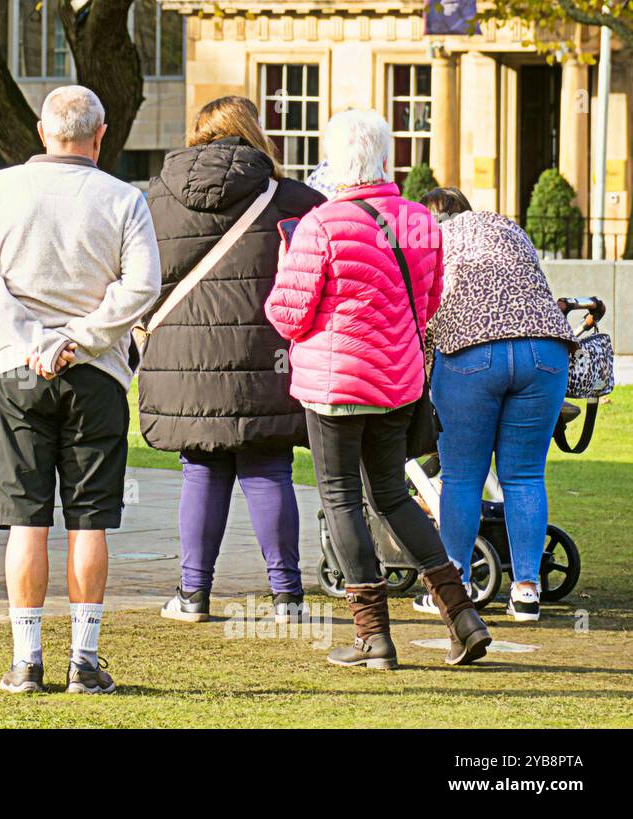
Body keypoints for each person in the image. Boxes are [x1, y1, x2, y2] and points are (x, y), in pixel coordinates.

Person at [0, 85, 161, 694]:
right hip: (95, 373)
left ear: (43, 133)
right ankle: (85, 662)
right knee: (90, 520)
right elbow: (141, 285)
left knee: (26, 520)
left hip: (17, 370)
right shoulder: (125, 198)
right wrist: (80, 338)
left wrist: (30, 335)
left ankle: (25, 661)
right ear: (99, 136)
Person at [265, 110, 492, 669]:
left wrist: (282, 266)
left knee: (341, 497)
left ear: (336, 164)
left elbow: (288, 315)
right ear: (386, 159)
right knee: (391, 496)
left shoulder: (320, 225)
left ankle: (373, 637)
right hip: (400, 380)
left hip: (335, 383)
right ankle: (462, 617)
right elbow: (432, 301)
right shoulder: (420, 221)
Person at [140, 95, 324, 624]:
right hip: (269, 355)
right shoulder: (296, 200)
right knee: (269, 466)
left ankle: (193, 594)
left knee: (200, 467)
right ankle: (286, 596)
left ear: (198, 133)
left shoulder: (157, 198)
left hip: (183, 359)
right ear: (254, 132)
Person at [415, 187, 577, 622]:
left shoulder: (431, 241)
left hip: (472, 351)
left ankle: (455, 585)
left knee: (463, 477)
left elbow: (428, 315)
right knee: (524, 476)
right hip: (546, 352)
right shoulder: (508, 228)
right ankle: (526, 590)